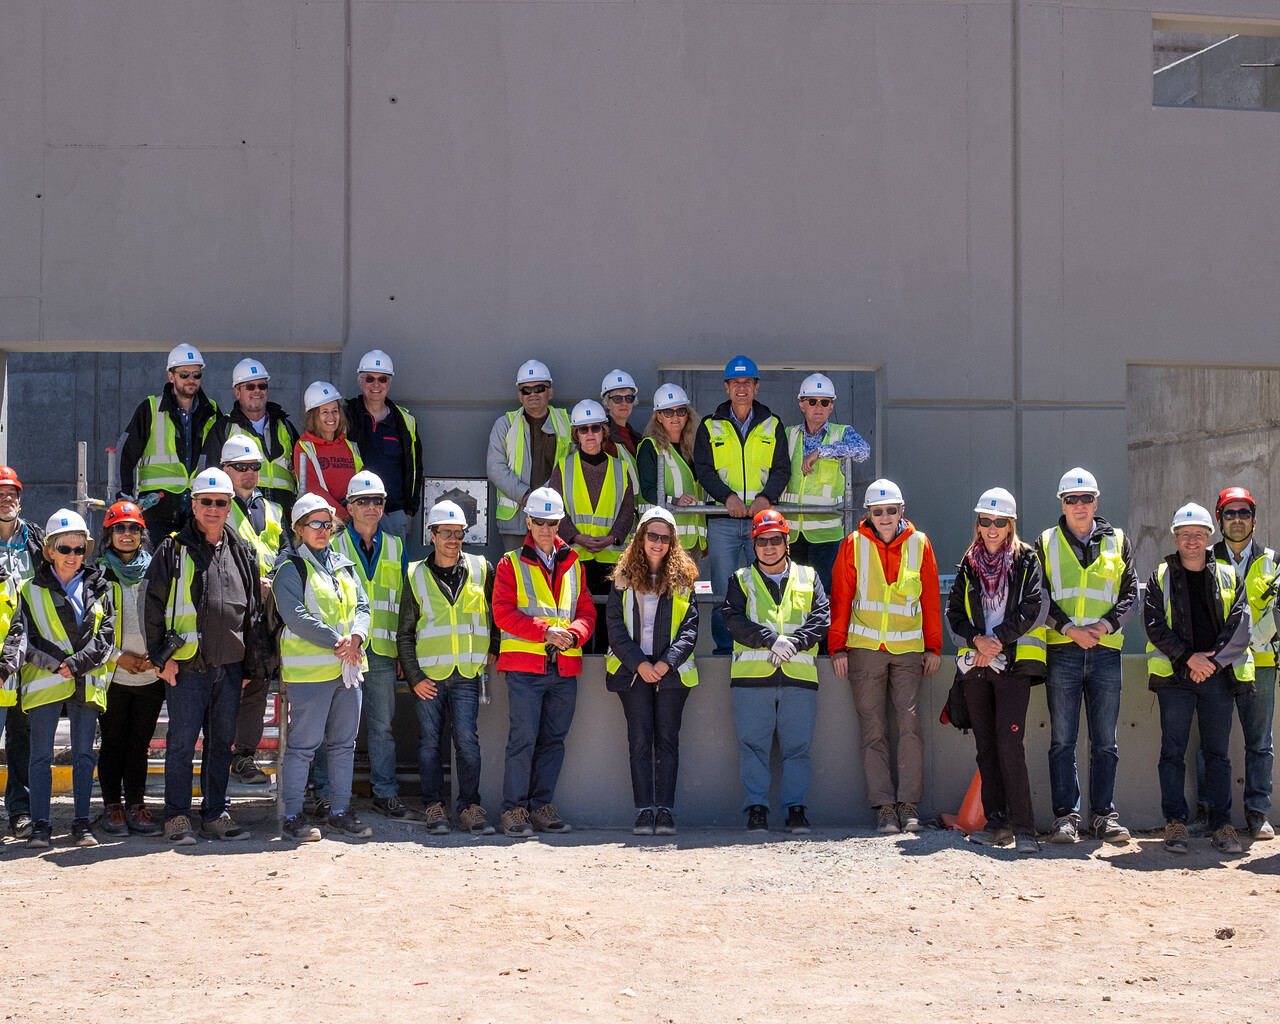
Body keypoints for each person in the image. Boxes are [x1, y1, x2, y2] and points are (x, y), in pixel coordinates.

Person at [144, 468, 261, 845]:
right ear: (194, 505)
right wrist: (162, 658)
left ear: (229, 508)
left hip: (228, 666)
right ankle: (177, 816)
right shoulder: (173, 548)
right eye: (206, 501)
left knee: (221, 743)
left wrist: (249, 665)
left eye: (220, 503)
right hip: (187, 666)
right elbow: (153, 606)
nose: (213, 508)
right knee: (181, 743)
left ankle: (215, 813)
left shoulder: (242, 550)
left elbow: (253, 612)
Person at [829, 479, 942, 834]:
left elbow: (931, 600)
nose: (885, 517)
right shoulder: (853, 545)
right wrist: (837, 647)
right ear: (869, 514)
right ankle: (884, 807)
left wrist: (933, 647)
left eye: (891, 510)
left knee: (909, 726)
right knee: (873, 729)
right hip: (864, 651)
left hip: (908, 651)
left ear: (901, 511)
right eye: (878, 512)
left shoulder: (920, 544)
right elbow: (841, 598)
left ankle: (909, 805)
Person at [1036, 468, 1138, 845]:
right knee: (1062, 740)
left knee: (1105, 742)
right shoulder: (1045, 542)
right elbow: (1040, 595)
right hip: (1063, 650)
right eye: (1071, 499)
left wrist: (1107, 626)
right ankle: (1065, 817)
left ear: (1096, 502)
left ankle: (1103, 816)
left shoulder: (1119, 541)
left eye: (1085, 499)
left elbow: (1131, 593)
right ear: (1062, 504)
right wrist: (1068, 629)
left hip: (1106, 652)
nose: (1079, 505)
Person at [1144, 502, 1253, 856]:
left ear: (1209, 537)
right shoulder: (1159, 576)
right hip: (1175, 678)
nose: (1192, 540)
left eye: (1199, 534)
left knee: (1217, 753)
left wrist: (1213, 662)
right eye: (1185, 534)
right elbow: (1154, 625)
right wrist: (1188, 657)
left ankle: (1222, 825)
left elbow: (1240, 624)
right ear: (1175, 537)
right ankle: (1175, 823)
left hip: (1217, 677)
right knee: (1172, 752)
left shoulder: (1228, 575)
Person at [2, 511, 113, 848]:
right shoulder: (29, 588)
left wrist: (76, 665)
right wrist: (54, 664)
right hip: (45, 680)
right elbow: (22, 636)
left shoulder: (99, 584)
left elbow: (106, 635)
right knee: (39, 757)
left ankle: (81, 824)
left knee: (83, 755)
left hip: (83, 680)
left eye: (79, 550)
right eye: (65, 549)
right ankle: (40, 826)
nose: (73, 556)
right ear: (49, 550)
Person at [947, 488, 1046, 854]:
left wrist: (996, 641)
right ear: (978, 523)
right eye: (985, 521)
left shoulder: (1026, 561)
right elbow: (953, 614)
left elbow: (1032, 608)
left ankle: (1026, 830)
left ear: (1010, 525)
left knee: (1009, 746)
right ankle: (997, 823)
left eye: (999, 522)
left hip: (1013, 665)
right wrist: (977, 641)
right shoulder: (968, 564)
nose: (991, 528)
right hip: (977, 667)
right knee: (986, 748)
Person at [492, 487, 596, 838]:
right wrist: (546, 632)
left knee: (553, 740)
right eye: (539, 522)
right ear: (528, 521)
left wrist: (576, 634)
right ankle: (513, 809)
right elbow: (502, 613)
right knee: (523, 739)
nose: (546, 529)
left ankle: (540, 806)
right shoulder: (510, 563)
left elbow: (586, 611)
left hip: (564, 668)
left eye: (552, 523)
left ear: (559, 523)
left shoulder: (573, 563)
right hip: (525, 668)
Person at [722, 509, 830, 834]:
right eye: (762, 541)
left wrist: (794, 643)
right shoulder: (740, 579)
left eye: (775, 540)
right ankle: (757, 809)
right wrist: (771, 640)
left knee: (798, 748)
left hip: (799, 679)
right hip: (752, 680)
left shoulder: (809, 577)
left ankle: (796, 809)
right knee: (752, 745)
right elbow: (732, 619)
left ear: (787, 542)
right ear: (753, 545)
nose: (769, 547)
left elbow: (821, 617)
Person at [274, 493, 374, 842]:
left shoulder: (344, 565)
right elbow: (295, 617)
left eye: (327, 523)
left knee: (344, 745)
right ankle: (291, 816)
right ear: (299, 529)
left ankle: (340, 812)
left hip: (347, 670)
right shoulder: (291, 568)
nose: (322, 529)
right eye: (314, 523)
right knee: (303, 747)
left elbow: (363, 605)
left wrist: (357, 637)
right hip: (310, 674)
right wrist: (339, 643)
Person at [398, 500, 499, 835]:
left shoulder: (481, 568)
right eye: (446, 533)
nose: (453, 539)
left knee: (467, 741)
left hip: (468, 674)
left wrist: (493, 648)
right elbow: (405, 633)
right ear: (432, 534)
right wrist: (414, 678)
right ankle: (433, 808)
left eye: (458, 533)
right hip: (429, 677)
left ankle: (469, 807)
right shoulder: (415, 574)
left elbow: (496, 613)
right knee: (429, 743)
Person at [605, 507, 700, 836]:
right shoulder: (622, 578)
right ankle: (645, 811)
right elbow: (615, 628)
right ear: (641, 538)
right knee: (640, 742)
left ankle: (666, 812)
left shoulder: (684, 579)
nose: (658, 543)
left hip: (670, 672)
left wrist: (664, 663)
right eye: (652, 536)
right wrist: (641, 664)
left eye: (664, 537)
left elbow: (689, 630)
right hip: (633, 672)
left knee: (668, 742)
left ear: (673, 542)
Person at [694, 355, 790, 654]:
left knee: (761, 585)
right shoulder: (710, 425)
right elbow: (703, 469)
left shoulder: (773, 424)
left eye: (747, 382)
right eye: (735, 383)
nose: (741, 389)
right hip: (723, 519)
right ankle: (725, 648)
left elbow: (782, 469)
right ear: (726, 387)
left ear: (756, 387)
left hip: (762, 522)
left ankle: (759, 645)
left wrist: (765, 498)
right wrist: (728, 497)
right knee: (723, 590)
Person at [332, 470, 414, 820]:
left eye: (377, 501)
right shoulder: (332, 545)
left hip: (382, 651)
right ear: (349, 507)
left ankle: (385, 793)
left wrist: (402, 652)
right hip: (340, 651)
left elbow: (406, 603)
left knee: (382, 728)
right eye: (362, 501)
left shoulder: (396, 546)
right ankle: (327, 794)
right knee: (335, 730)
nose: (371, 507)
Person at [1208, 486, 1276, 840]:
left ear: (1254, 518)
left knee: (1259, 741)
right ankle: (1212, 814)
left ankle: (1257, 811)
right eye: (1230, 513)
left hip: (1261, 664)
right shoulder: (1203, 558)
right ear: (1219, 519)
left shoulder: (1273, 562)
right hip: (1216, 664)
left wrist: (1246, 642)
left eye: (1244, 513)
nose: (1237, 520)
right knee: (1212, 741)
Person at [94, 501, 165, 837]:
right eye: (120, 528)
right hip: (113, 674)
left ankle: (136, 805)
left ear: (141, 534)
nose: (126, 533)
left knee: (140, 743)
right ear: (109, 535)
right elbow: (87, 626)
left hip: (151, 674)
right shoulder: (96, 573)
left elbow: (170, 616)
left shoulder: (156, 569)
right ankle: (113, 808)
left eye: (133, 528)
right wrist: (116, 656)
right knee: (113, 741)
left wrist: (159, 655)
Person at [221, 434, 285, 786]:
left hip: (266, 610)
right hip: (231, 607)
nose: (249, 473)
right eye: (241, 467)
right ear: (225, 469)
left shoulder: (272, 508)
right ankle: (220, 753)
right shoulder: (218, 505)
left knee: (258, 682)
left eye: (254, 467)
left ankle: (243, 756)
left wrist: (273, 578)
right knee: (228, 682)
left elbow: (287, 548)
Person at [548, 399, 635, 653]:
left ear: (603, 432)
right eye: (583, 429)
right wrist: (576, 536)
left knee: (610, 621)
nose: (590, 434)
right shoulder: (563, 467)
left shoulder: (621, 468)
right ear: (576, 434)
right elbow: (555, 509)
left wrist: (611, 538)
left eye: (595, 428)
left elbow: (627, 511)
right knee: (578, 619)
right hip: (575, 557)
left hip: (611, 559)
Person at [118, 345, 220, 544]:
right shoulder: (151, 408)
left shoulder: (212, 410)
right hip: (157, 508)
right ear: (171, 376)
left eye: (196, 374)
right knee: (158, 569)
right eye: (184, 374)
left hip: (197, 506)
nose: (191, 380)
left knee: (194, 569)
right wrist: (124, 493)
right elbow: (125, 450)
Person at [780, 373, 870, 595]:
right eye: (812, 401)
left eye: (825, 402)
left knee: (824, 597)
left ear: (831, 407)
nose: (818, 407)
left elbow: (863, 451)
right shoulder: (788, 434)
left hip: (826, 535)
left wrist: (822, 452)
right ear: (802, 405)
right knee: (795, 596)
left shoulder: (842, 433)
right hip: (791, 535)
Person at [487, 359, 573, 552]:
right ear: (520, 395)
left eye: (539, 388)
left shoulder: (568, 422)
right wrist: (525, 496)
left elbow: (574, 466)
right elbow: (495, 468)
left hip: (555, 519)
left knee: (553, 576)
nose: (533, 394)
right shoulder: (505, 424)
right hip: (517, 519)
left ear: (550, 392)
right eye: (526, 389)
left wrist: (547, 499)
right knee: (515, 574)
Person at [0, 465, 42, 840]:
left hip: (27, 658)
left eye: (11, 492)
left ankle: (19, 810)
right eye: (0, 493)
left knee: (22, 735)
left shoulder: (36, 540)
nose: (6, 498)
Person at [203, 358, 301, 516]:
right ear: (237, 392)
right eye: (250, 386)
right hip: (242, 511)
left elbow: (302, 473)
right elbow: (210, 471)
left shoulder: (286, 426)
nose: (257, 391)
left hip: (285, 511)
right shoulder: (224, 428)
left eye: (262, 386)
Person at [344, 350, 423, 540]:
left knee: (394, 568)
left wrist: (410, 512)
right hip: (356, 510)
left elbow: (414, 471)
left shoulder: (405, 421)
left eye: (383, 379)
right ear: (360, 381)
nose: (376, 385)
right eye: (370, 378)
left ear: (390, 383)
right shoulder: (346, 418)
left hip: (394, 513)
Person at [637, 383, 705, 557]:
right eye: (668, 412)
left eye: (681, 411)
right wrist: (674, 500)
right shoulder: (650, 446)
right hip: (663, 538)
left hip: (694, 537)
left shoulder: (694, 446)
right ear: (659, 417)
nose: (675, 417)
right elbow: (648, 490)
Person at [294, 381, 363, 525]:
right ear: (314, 416)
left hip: (352, 521)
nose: (331, 417)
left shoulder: (350, 446)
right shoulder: (304, 446)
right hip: (322, 523)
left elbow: (361, 483)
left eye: (335, 410)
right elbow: (311, 487)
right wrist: (343, 514)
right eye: (324, 412)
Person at [601, 369, 643, 488]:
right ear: (607, 403)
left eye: (629, 398)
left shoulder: (637, 438)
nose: (624, 403)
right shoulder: (603, 438)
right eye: (617, 399)